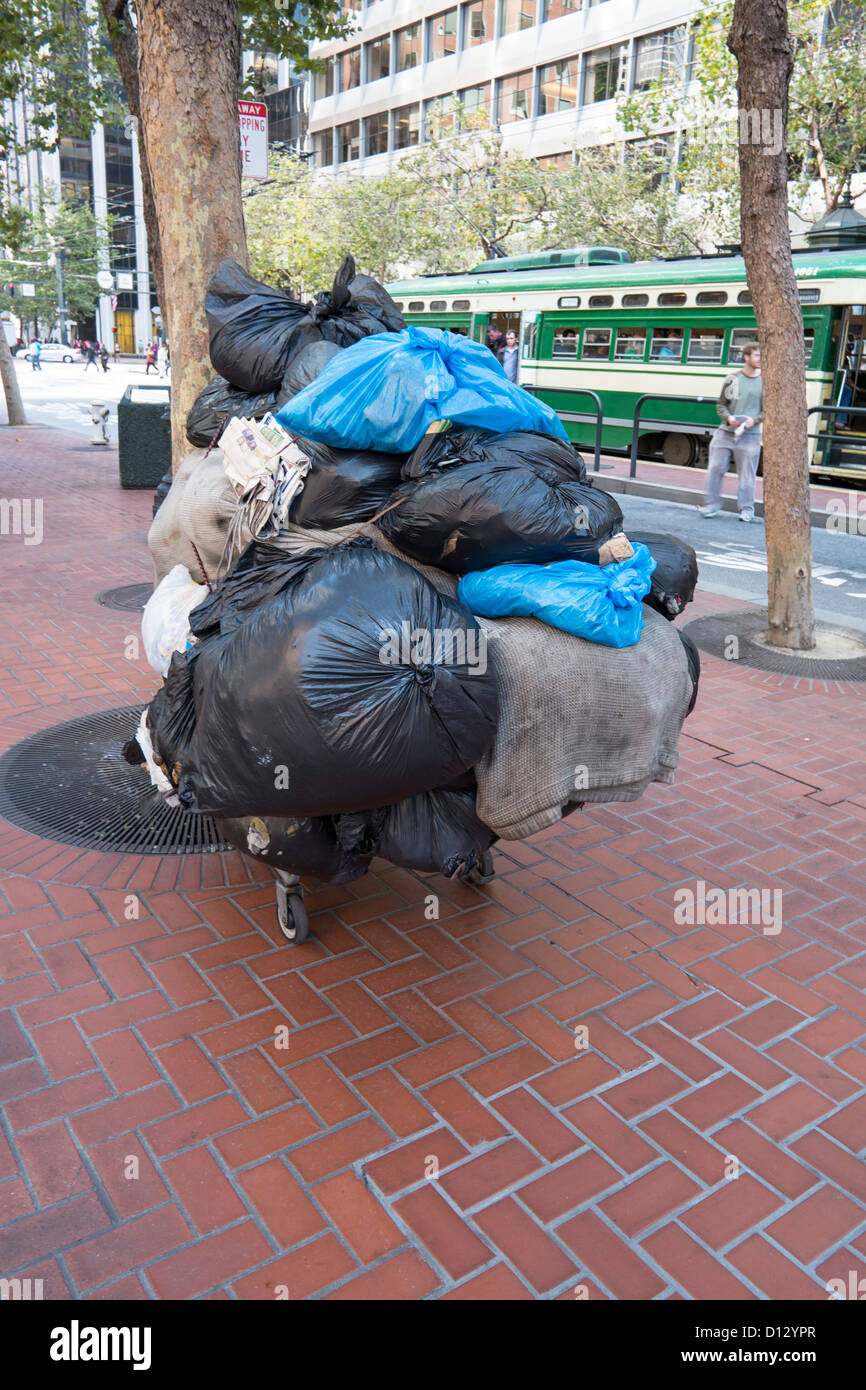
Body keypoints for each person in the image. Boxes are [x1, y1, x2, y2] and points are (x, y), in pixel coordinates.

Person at [700, 343, 763, 522]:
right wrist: (728, 418)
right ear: (747, 357)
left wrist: (754, 420)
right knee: (715, 468)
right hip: (725, 432)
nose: (761, 359)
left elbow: (768, 410)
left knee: (747, 474)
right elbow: (721, 404)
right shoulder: (732, 379)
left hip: (751, 435)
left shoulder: (765, 381)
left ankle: (747, 509)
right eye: (757, 356)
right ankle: (711, 504)